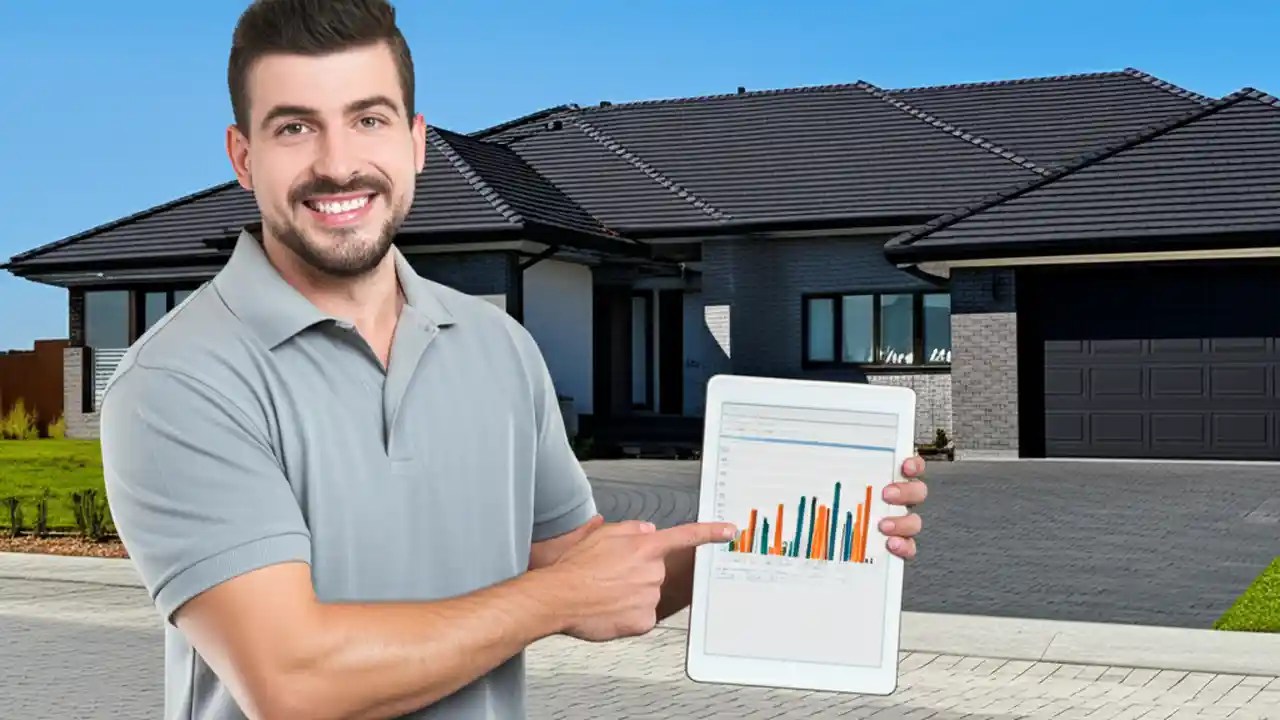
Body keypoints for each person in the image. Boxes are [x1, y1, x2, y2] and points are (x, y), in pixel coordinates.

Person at [98, 0, 930, 718]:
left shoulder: (496, 349)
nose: (338, 162)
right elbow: (293, 680)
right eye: (294, 127)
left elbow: (583, 570)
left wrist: (808, 525)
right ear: (244, 156)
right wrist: (555, 600)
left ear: (417, 141)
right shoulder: (181, 379)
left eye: (369, 118)